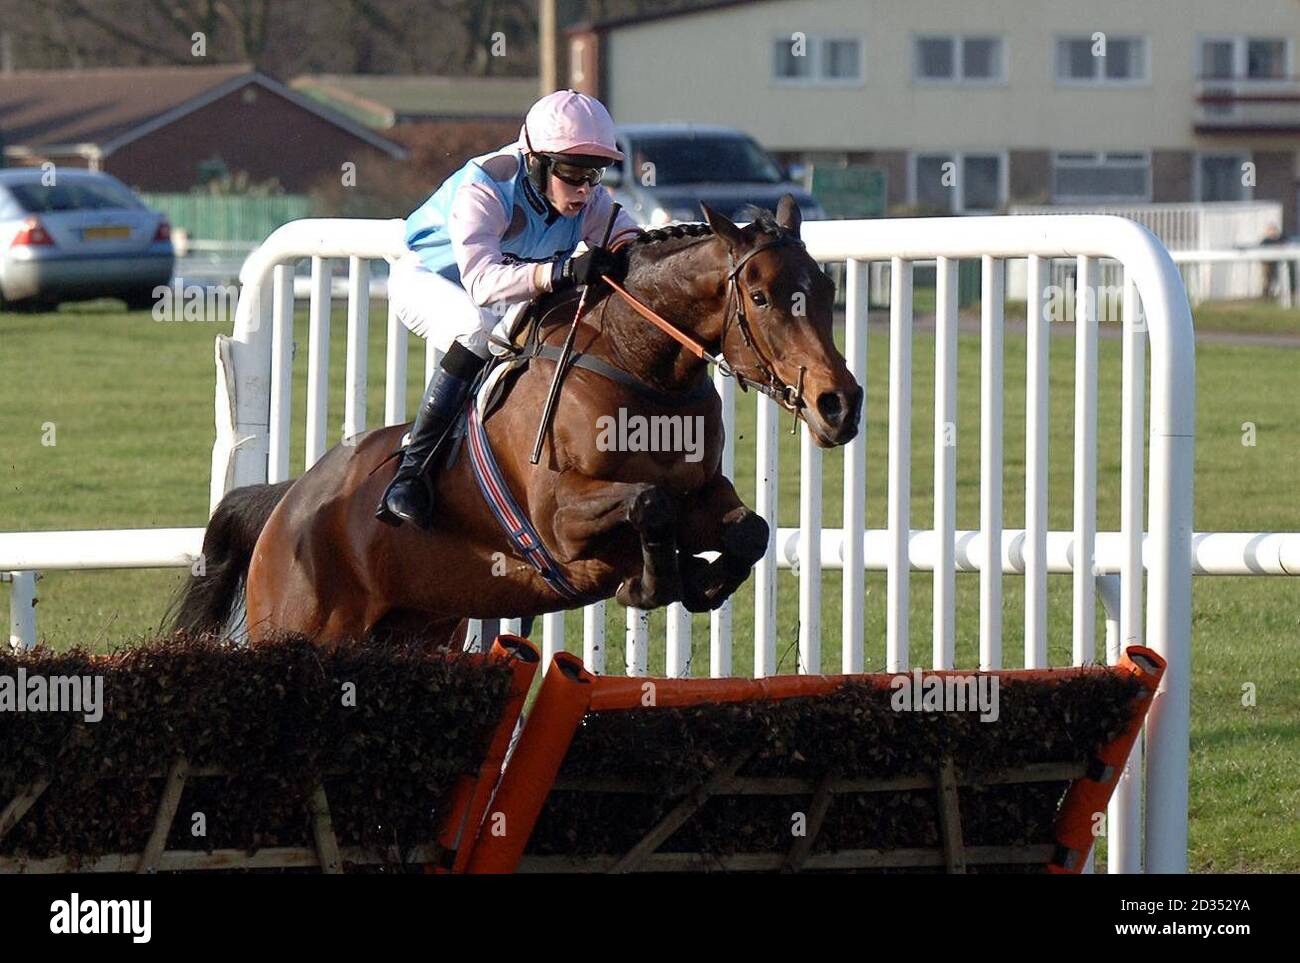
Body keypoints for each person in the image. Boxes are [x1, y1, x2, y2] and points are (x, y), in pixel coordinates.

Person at [377, 90, 641, 530]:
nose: (584, 189)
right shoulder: (486, 183)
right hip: (429, 279)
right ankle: (412, 471)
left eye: (595, 174)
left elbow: (629, 241)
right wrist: (560, 271)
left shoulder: (588, 197)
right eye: (573, 173)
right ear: (536, 160)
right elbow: (481, 283)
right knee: (476, 330)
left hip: (506, 291)